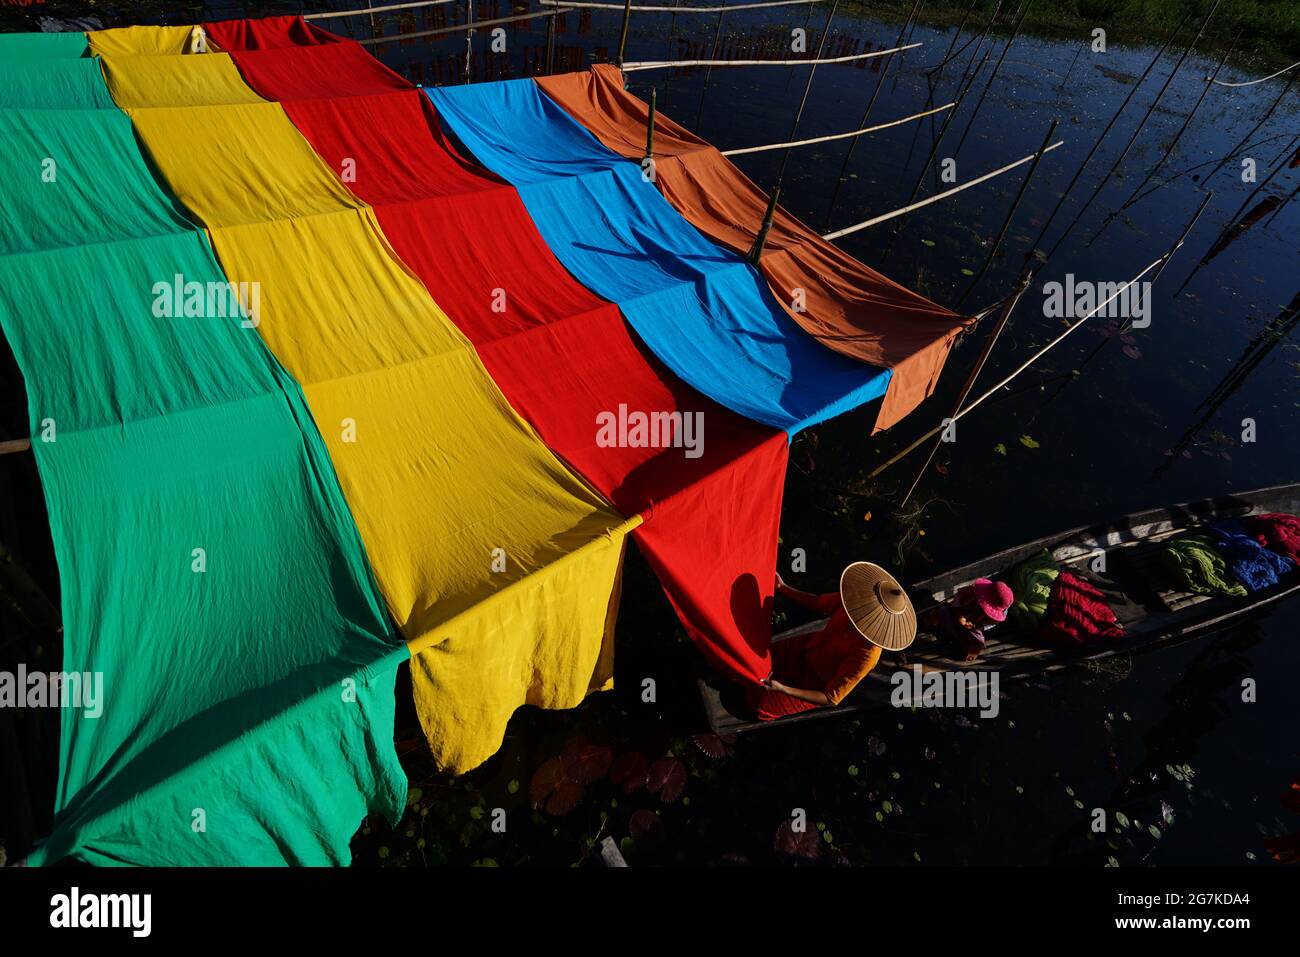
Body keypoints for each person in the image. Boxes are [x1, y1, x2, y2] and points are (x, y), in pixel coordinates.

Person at [750, 562, 917, 721]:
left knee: (756, 703)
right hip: (804, 646)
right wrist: (784, 588)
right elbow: (819, 603)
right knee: (751, 659)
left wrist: (784, 689)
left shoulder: (867, 655)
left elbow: (830, 698)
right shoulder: (856, 601)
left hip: (811, 682)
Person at [920, 578, 1014, 661]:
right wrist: (959, 614)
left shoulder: (996, 615)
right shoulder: (971, 591)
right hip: (955, 613)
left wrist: (977, 626)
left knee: (977, 639)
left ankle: (966, 644)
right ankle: (935, 625)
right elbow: (958, 598)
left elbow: (991, 624)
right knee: (941, 613)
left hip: (971, 627)